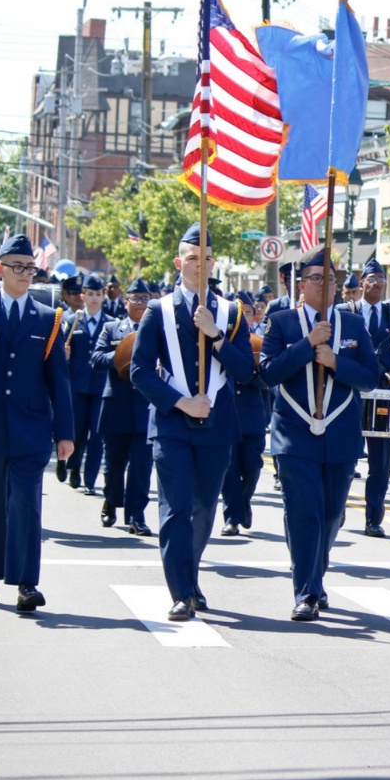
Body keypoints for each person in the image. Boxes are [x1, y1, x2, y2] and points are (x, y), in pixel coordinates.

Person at [129, 223, 255, 622]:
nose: (198, 265)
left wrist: (215, 335)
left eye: (205, 258)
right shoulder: (158, 310)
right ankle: (181, 591)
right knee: (176, 508)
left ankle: (191, 574)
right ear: (178, 262)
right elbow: (139, 371)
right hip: (172, 424)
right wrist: (181, 402)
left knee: (204, 509)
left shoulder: (230, 313)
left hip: (217, 426)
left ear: (213, 262)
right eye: (191, 258)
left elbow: (246, 372)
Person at [259, 250, 379, 621]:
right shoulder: (281, 322)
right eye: (315, 279)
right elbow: (268, 373)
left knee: (330, 515)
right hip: (295, 435)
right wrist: (307, 344)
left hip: (339, 434)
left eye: (330, 280)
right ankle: (306, 590)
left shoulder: (354, 326)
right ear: (301, 285)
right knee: (303, 512)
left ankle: (316, 576)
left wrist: (336, 362)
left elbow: (370, 377)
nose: (324, 286)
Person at [0, 234, 74, 612]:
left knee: (25, 505)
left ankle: (25, 583)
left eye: (30, 267)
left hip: (31, 429)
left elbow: (59, 379)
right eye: (17, 266)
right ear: (0, 269)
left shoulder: (47, 317)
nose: (25, 273)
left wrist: (65, 433)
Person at [338, 258, 390, 537]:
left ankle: (373, 518)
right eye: (371, 278)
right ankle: (337, 509)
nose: (376, 283)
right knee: (346, 457)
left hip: (381, 394)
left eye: (380, 278)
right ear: (360, 282)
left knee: (380, 462)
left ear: (387, 285)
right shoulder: (346, 311)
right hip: (350, 391)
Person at [90, 278, 154, 534]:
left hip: (145, 407)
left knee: (141, 466)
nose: (140, 303)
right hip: (116, 407)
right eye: (135, 298)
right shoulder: (111, 328)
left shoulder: (156, 329)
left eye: (145, 299)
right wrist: (121, 357)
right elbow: (96, 357)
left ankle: (136, 516)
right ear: (125, 302)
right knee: (114, 465)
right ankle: (112, 500)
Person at [220, 292, 270, 537]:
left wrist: (248, 372)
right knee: (229, 469)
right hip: (227, 414)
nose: (244, 317)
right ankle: (232, 517)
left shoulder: (260, 344)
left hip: (252, 416)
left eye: (248, 312)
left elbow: (267, 380)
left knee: (252, 466)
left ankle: (243, 503)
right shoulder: (220, 341)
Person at [61, 273, 112, 495]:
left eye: (98, 294)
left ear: (103, 297)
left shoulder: (111, 324)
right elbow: (62, 356)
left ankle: (90, 478)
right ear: (83, 296)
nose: (93, 298)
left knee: (97, 435)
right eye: (90, 294)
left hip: (101, 387)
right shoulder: (72, 321)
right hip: (78, 387)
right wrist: (65, 355)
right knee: (78, 432)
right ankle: (73, 466)